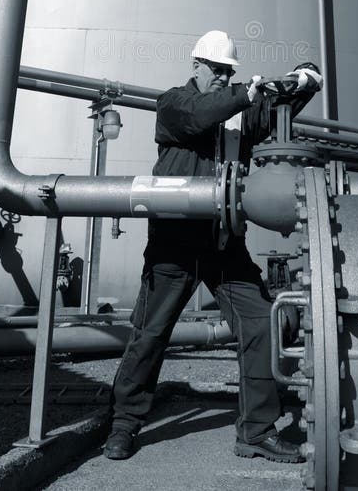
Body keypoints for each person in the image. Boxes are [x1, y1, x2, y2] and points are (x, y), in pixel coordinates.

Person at [104, 30, 323, 462]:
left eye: (229, 72)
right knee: (150, 334)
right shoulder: (173, 105)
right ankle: (124, 424)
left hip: (223, 242)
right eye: (217, 70)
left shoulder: (240, 112)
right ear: (197, 67)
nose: (222, 78)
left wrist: (304, 79)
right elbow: (200, 116)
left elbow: (277, 105)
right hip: (174, 244)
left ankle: (256, 431)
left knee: (261, 324)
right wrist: (247, 92)